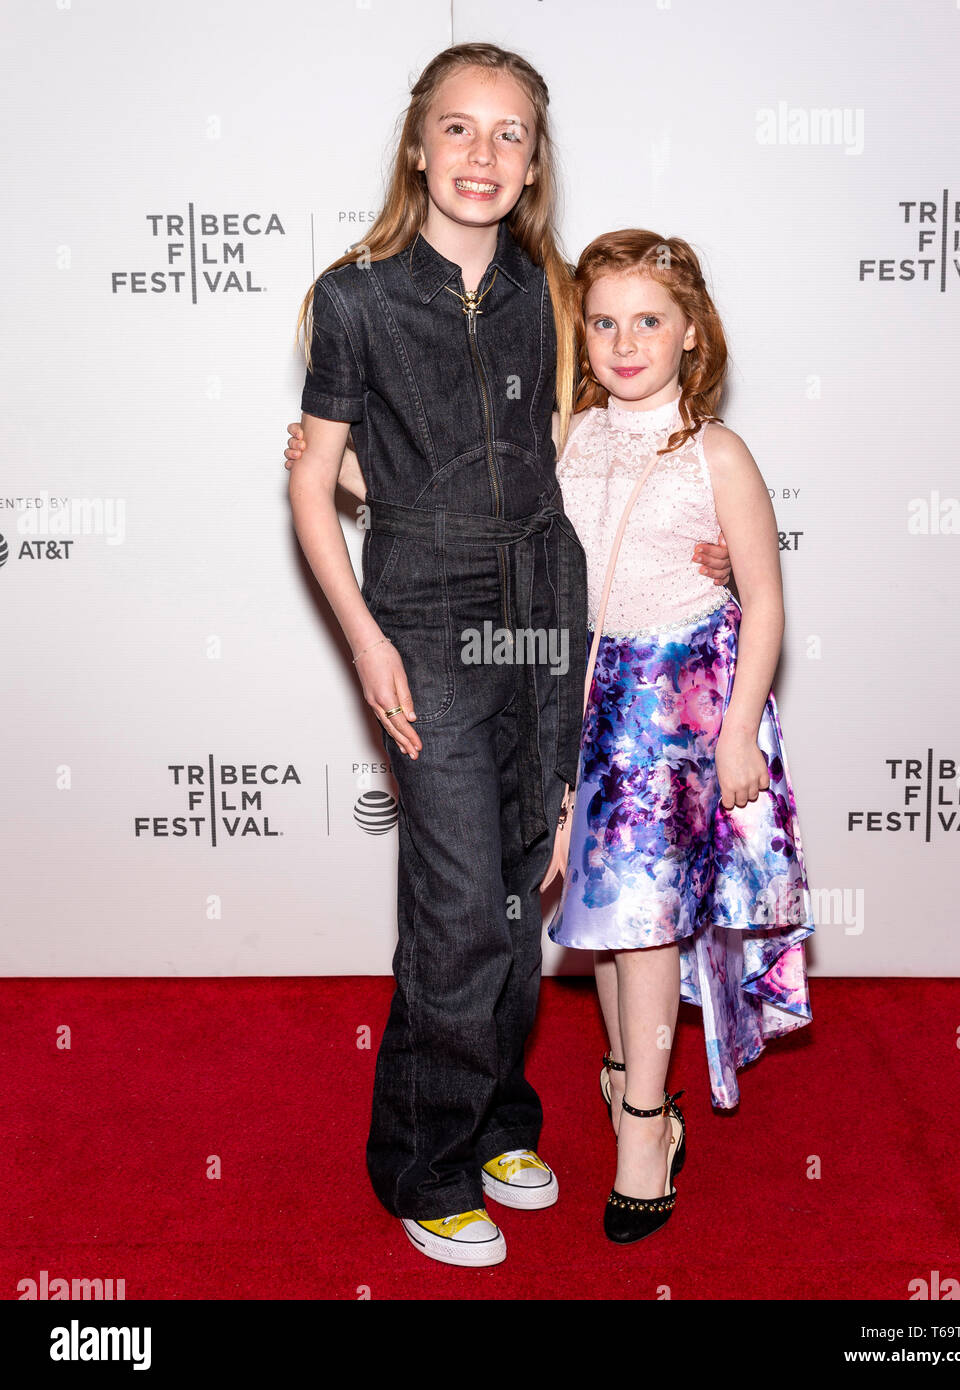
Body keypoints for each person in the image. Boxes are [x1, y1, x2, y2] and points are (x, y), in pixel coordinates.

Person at [285, 41, 736, 1266]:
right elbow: (315, 477)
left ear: (536, 161)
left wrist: (699, 538)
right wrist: (365, 641)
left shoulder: (549, 287)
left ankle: (497, 1118)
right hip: (422, 622)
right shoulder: (356, 295)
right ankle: (424, 1165)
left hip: (546, 615)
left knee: (518, 886)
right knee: (453, 909)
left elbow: (576, 459)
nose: (484, 155)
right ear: (418, 145)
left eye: (511, 134)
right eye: (460, 129)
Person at [546, 229, 815, 1244]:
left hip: (681, 707)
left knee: (650, 920)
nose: (624, 341)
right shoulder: (571, 434)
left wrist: (741, 727)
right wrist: (345, 472)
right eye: (605, 321)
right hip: (585, 698)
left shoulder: (719, 453)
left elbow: (767, 600)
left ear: (689, 332)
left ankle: (646, 1125)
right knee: (605, 923)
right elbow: (478, 516)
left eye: (647, 320)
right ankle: (625, 1074)